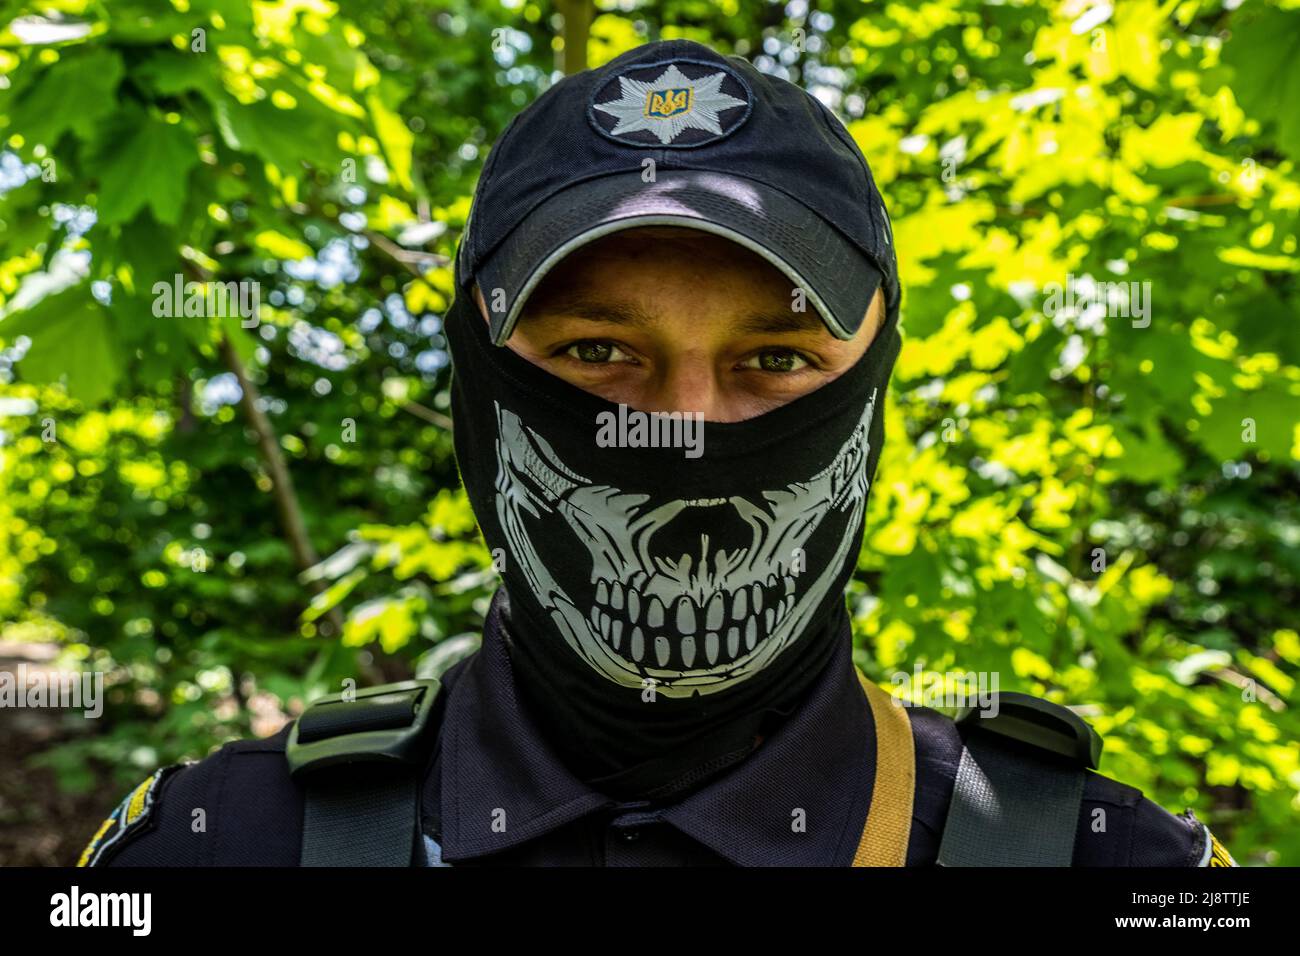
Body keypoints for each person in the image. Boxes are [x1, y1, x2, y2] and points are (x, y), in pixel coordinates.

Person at [78, 38, 1236, 868]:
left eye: (775, 361)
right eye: (596, 350)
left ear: (872, 391)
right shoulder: (220, 840)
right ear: (477, 382)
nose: (684, 433)